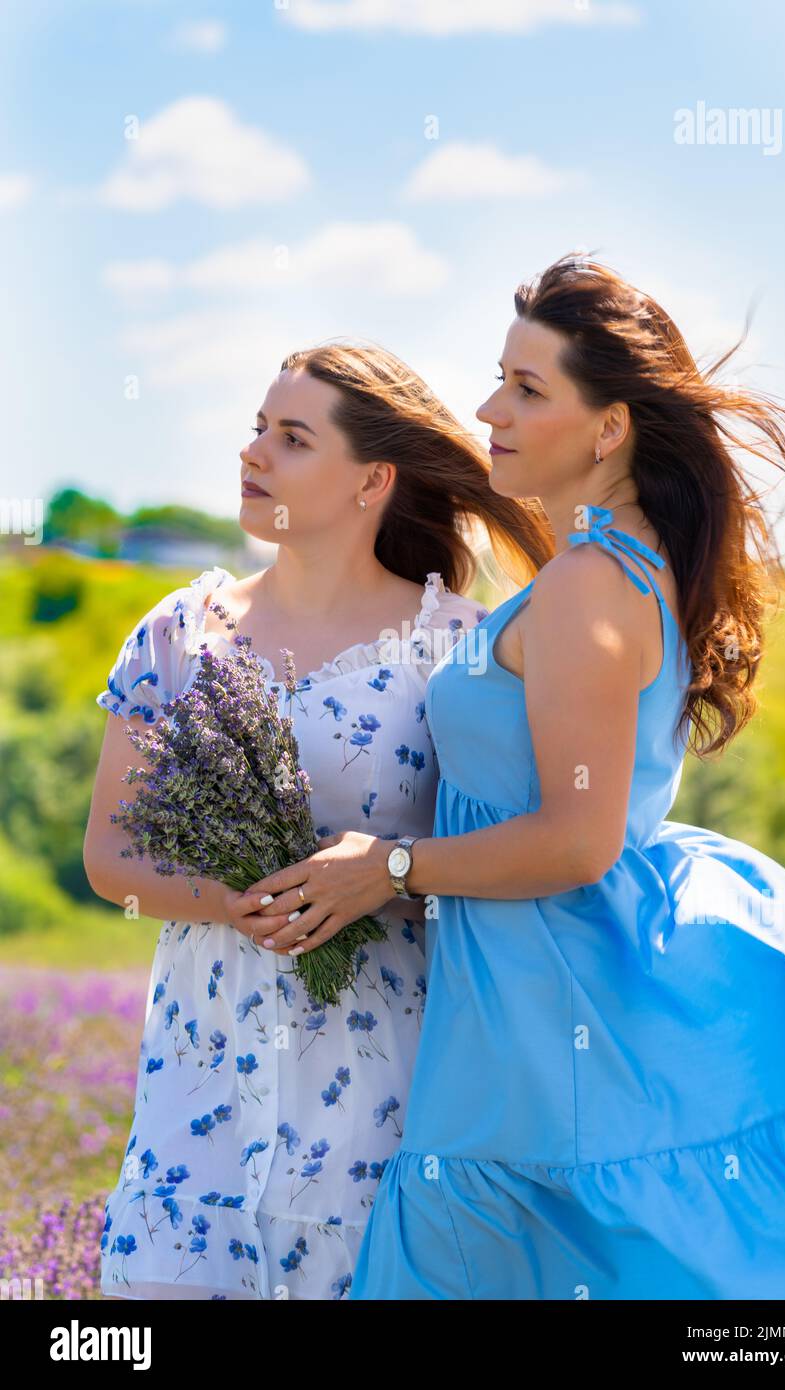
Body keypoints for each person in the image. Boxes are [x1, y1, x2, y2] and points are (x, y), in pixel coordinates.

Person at [242, 257, 785, 1300]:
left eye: (528, 389)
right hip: (538, 991)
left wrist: (386, 866)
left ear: (610, 427)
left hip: (555, 998)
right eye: (500, 378)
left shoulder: (587, 588)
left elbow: (580, 839)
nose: (491, 407)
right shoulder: (608, 565)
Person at [84, 342, 552, 1300]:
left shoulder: (456, 647)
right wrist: (238, 898)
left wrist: (385, 871)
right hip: (198, 1087)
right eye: (258, 429)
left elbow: (515, 862)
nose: (254, 454)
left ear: (372, 479)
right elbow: (110, 854)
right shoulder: (178, 631)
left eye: (292, 438)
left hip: (378, 1096)